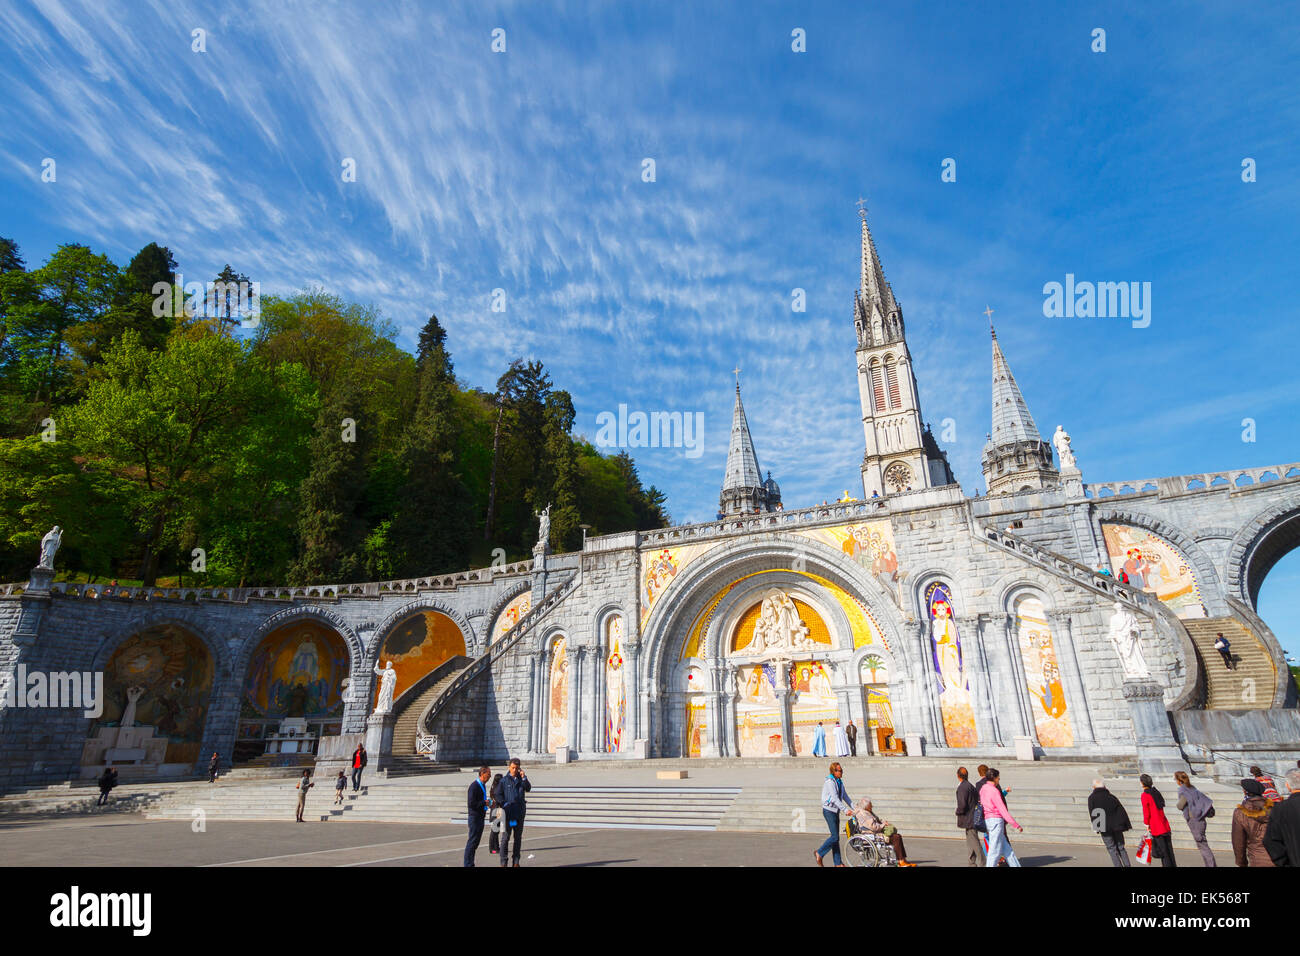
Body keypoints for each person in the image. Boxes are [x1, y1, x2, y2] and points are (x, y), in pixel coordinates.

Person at [851, 797, 916, 866]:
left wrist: (884, 822)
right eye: (870, 805)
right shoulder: (863, 814)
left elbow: (877, 820)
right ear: (866, 806)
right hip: (872, 835)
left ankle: (903, 859)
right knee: (896, 838)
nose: (872, 806)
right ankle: (901, 861)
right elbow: (874, 827)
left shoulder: (867, 811)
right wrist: (883, 825)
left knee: (898, 836)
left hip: (876, 832)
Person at [979, 768, 1022, 867]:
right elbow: (1002, 810)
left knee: (1007, 849)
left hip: (988, 819)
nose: (999, 779)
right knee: (994, 850)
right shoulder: (994, 791)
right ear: (993, 778)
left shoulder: (983, 789)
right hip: (996, 821)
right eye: (998, 777)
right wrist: (1015, 824)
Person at [1174, 770, 1216, 867]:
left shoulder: (1184, 790)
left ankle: (1211, 865)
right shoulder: (1192, 788)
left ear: (1179, 780)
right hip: (1200, 820)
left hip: (1195, 821)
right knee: (1203, 844)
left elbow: (1180, 805)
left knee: (1203, 845)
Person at [814, 761, 852, 867]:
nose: (841, 772)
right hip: (829, 811)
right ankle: (819, 853)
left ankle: (838, 863)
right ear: (833, 771)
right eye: (839, 771)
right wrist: (845, 810)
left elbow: (845, 797)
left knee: (836, 837)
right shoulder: (830, 782)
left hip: (835, 811)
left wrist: (854, 808)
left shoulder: (839, 782)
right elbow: (835, 798)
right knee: (835, 837)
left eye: (842, 770)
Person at [1231, 779, 1276, 867]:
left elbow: (1238, 841)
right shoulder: (1275, 808)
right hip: (1278, 857)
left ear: (1245, 792)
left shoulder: (1240, 813)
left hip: (1257, 859)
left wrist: (1241, 862)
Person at [1087, 779, 1132, 867]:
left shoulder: (1092, 798)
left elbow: (1093, 813)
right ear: (1104, 787)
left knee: (1111, 849)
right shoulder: (1111, 797)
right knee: (1121, 847)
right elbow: (1121, 811)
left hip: (1104, 827)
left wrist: (1096, 827)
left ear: (1094, 787)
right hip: (1117, 826)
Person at [1263, 768, 1300, 866]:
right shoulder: (1280, 809)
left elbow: (1270, 840)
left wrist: (1283, 863)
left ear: (1288, 786)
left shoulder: (1280, 809)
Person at [499, 758, 531, 867]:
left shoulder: (521, 780)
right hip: (508, 814)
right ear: (509, 767)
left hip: (519, 814)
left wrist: (524, 777)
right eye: (513, 768)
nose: (514, 770)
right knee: (505, 838)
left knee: (518, 838)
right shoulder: (504, 780)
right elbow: (498, 794)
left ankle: (516, 861)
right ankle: (503, 862)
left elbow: (528, 788)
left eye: (517, 768)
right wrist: (504, 804)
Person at [1140, 773, 1176, 867]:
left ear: (1142, 783)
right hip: (1164, 824)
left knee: (1163, 853)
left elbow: (1146, 812)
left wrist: (1146, 824)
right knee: (1169, 851)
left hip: (1156, 826)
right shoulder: (1155, 792)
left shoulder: (1145, 795)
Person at [955, 766, 985, 866]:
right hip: (973, 817)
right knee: (970, 842)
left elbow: (962, 805)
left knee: (975, 843)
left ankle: (983, 863)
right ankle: (971, 862)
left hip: (968, 819)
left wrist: (958, 812)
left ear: (958, 775)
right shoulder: (970, 785)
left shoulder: (962, 787)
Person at [464, 765, 491, 867]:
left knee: (475, 842)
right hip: (475, 817)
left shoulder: (482, 785)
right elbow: (471, 804)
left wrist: (485, 803)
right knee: (472, 841)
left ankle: (470, 862)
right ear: (482, 774)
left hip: (480, 816)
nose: (489, 777)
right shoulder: (474, 786)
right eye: (488, 775)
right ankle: (468, 864)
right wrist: (484, 802)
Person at [487, 772, 505, 855]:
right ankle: (492, 848)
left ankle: (496, 847)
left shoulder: (494, 787)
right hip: (496, 811)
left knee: (496, 830)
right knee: (494, 831)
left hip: (495, 810)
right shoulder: (496, 788)